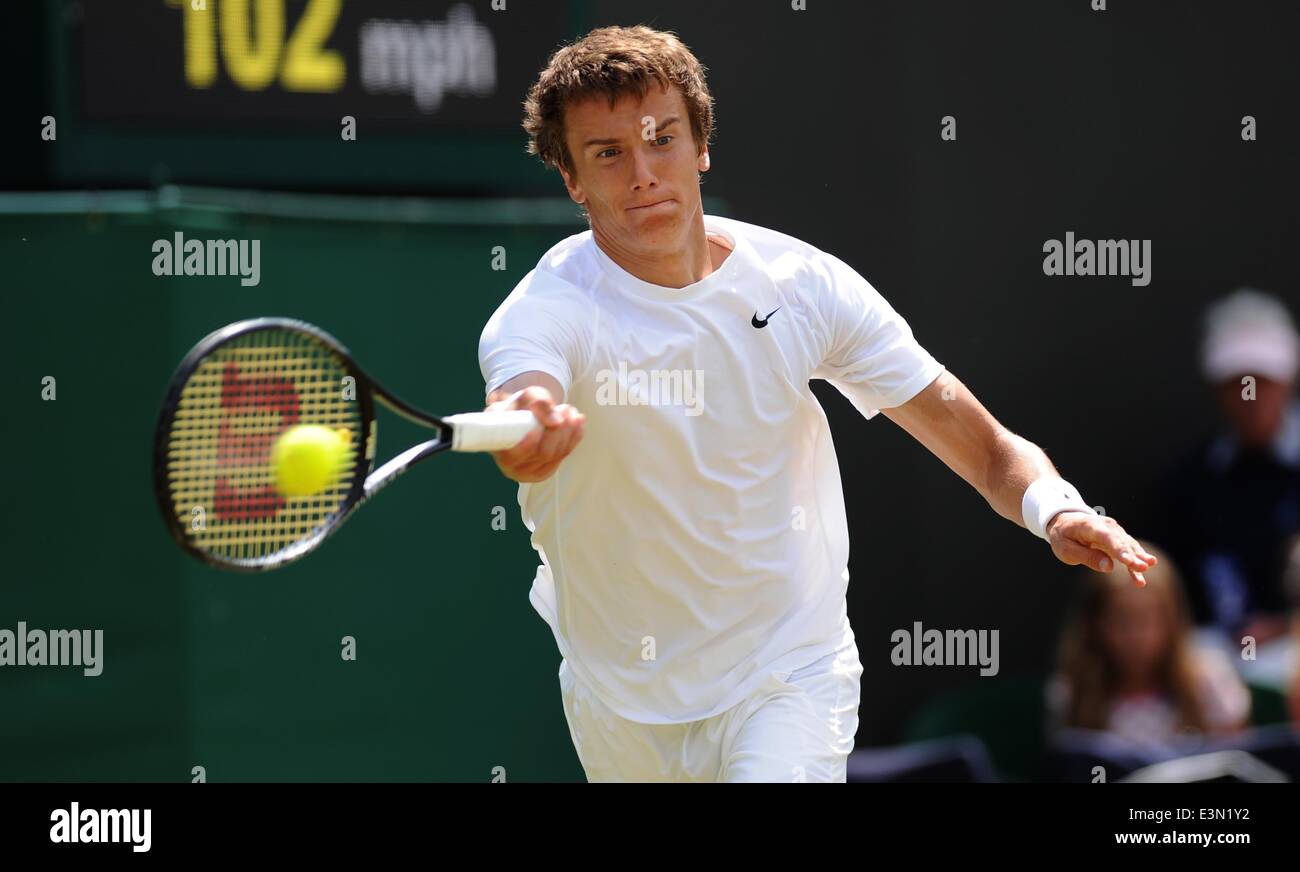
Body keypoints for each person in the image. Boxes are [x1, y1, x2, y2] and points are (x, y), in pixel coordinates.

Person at [477, 25, 1155, 782]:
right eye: (608, 154)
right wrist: (529, 430)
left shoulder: (805, 288)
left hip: (788, 674)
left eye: (662, 139)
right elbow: (524, 393)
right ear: (572, 179)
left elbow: (989, 450)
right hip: (618, 702)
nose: (643, 173)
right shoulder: (543, 310)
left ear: (701, 146)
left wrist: (1055, 509)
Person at [1150, 289, 1300, 643]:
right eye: (1236, 382)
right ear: (1216, 389)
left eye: (1263, 380)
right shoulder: (1189, 484)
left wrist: (1285, 628)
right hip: (1214, 663)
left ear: (1287, 380)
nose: (1251, 396)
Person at [1048, 540, 1250, 749]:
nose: (1139, 636)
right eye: (1123, 620)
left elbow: (1236, 760)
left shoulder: (1210, 683)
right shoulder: (1073, 692)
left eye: (1153, 619)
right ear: (1096, 623)